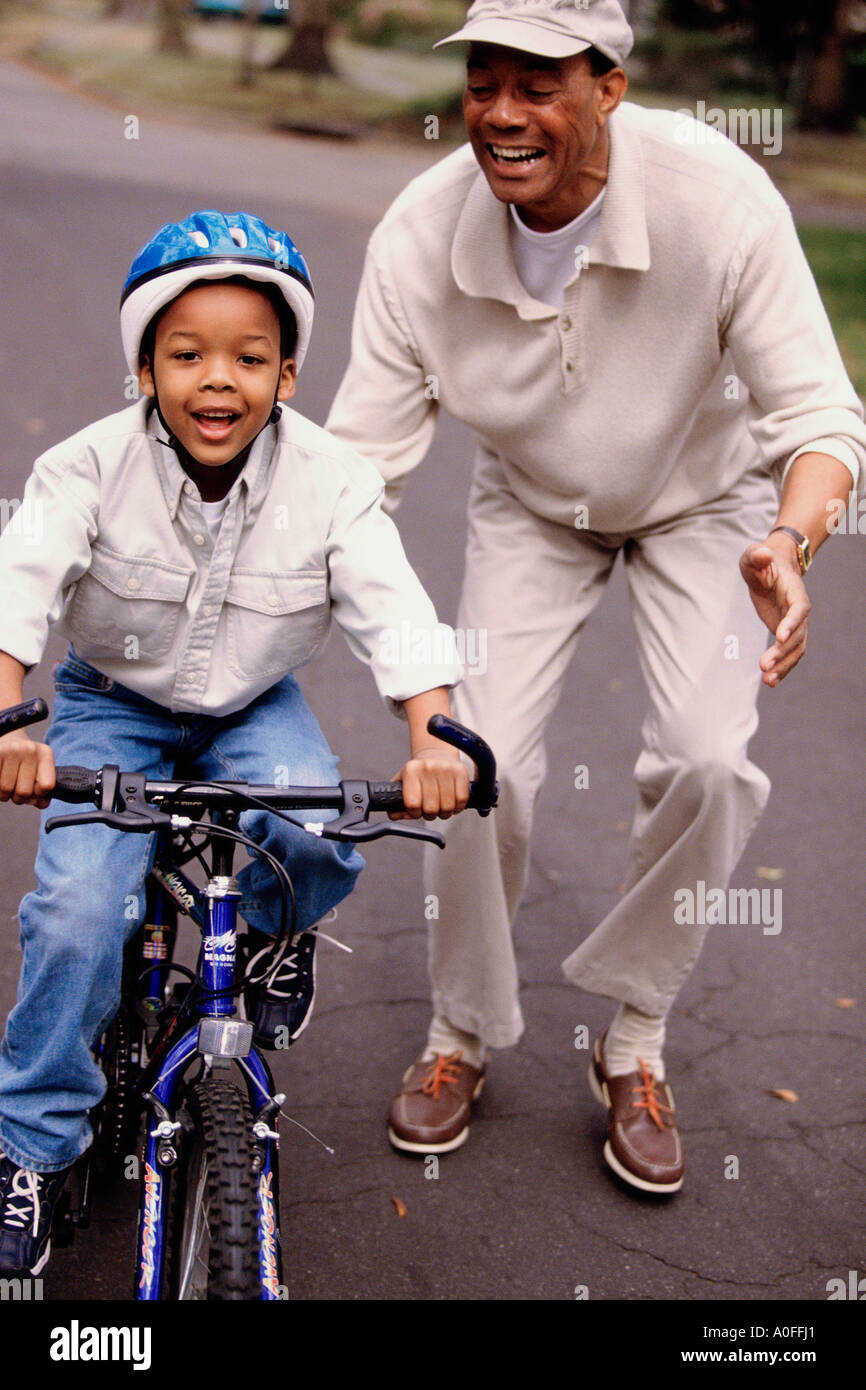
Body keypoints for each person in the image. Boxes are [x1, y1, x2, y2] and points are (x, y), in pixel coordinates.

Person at [326, 0, 866, 1192]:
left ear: (608, 87)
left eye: (539, 84)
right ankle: (458, 1031)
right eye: (482, 84)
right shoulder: (422, 233)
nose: (502, 116)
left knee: (707, 759)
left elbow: (820, 415)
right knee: (478, 761)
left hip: (709, 505)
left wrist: (792, 535)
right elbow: (355, 468)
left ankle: (632, 1036)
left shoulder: (715, 202)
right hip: (529, 503)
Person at [0, 209, 470, 1278]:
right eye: (187, 355)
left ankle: (265, 939)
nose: (219, 381)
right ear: (145, 369)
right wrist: (8, 721)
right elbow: (18, 581)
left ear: (288, 375)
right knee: (79, 910)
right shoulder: (85, 467)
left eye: (248, 358)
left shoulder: (333, 481)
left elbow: (390, 601)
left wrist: (432, 735)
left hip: (250, 704)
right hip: (110, 700)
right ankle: (28, 1143)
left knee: (307, 822)